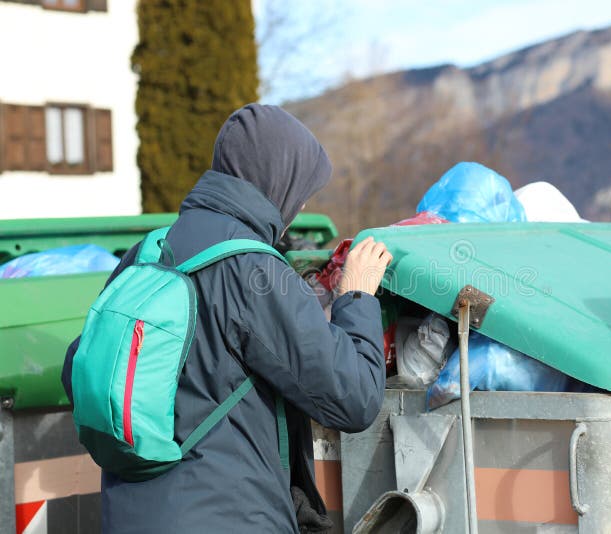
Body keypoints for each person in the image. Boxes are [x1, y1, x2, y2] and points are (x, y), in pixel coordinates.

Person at [61, 104, 392, 533]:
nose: (303, 202)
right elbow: (354, 397)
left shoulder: (147, 252)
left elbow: (80, 367)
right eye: (303, 187)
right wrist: (359, 294)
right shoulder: (252, 267)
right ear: (278, 179)